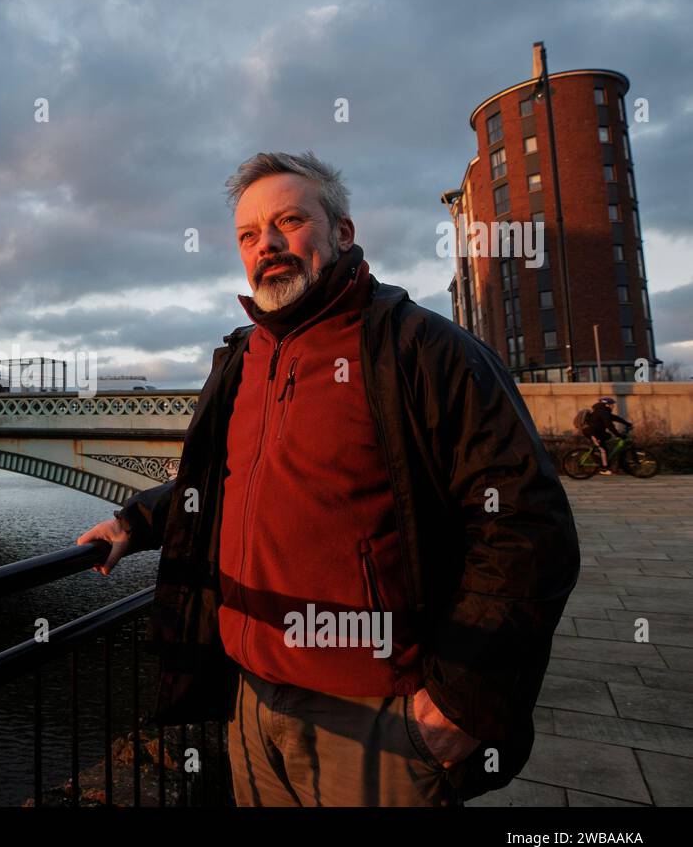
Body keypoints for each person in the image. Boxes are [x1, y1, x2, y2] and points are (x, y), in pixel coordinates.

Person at [77, 151, 580, 806]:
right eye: (249, 235)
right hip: (253, 697)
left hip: (375, 712)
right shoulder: (242, 359)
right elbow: (227, 486)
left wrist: (461, 697)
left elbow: (526, 526)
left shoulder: (422, 350)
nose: (269, 247)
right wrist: (136, 520)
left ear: (342, 232)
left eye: (289, 221)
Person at [581, 396, 633, 475]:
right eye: (612, 404)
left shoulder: (603, 412)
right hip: (592, 433)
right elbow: (610, 425)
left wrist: (627, 424)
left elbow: (616, 418)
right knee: (603, 450)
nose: (613, 406)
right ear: (606, 404)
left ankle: (598, 455)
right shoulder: (602, 412)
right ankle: (604, 469)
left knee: (607, 438)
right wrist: (618, 435)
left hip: (598, 433)